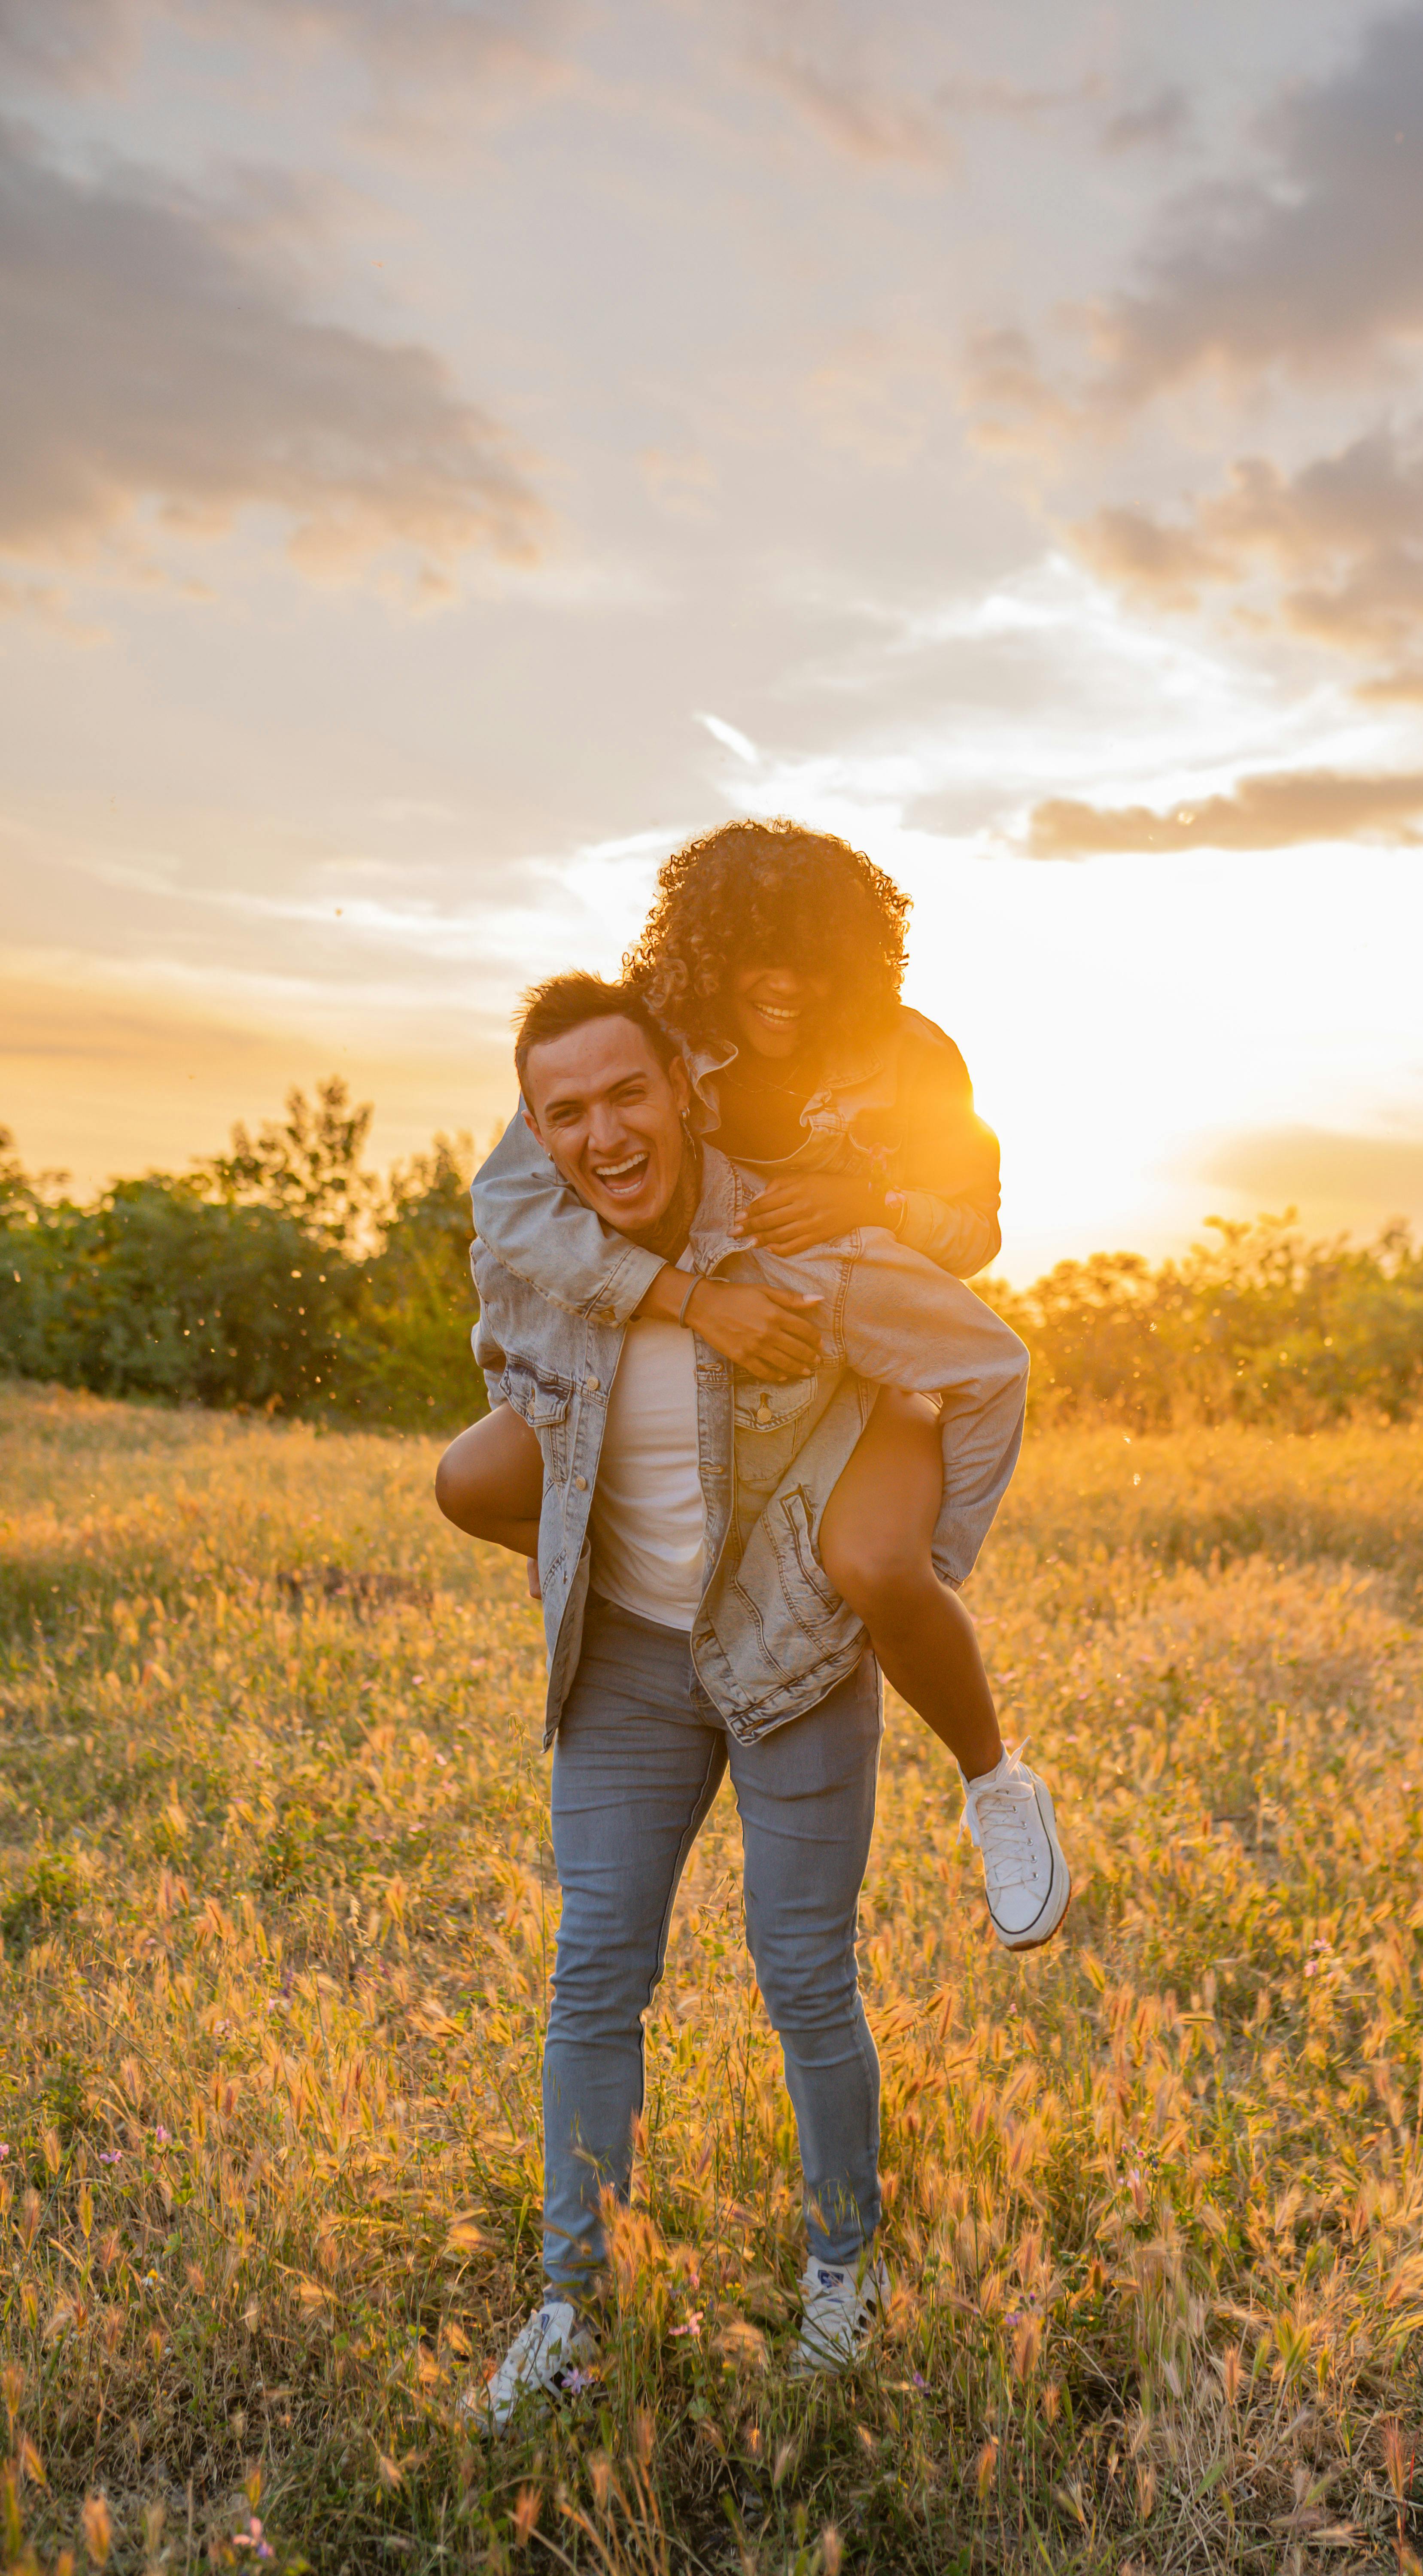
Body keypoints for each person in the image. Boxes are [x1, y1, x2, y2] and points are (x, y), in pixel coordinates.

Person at [437, 972, 1054, 2425]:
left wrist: (900, 1571)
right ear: (536, 1133)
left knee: (804, 1981)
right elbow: (503, 1329)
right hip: (627, 1667)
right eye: (565, 1113)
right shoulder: (545, 1245)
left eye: (627, 1094)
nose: (603, 1133)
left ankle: (846, 2274)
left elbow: (990, 1360)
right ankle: (570, 2311)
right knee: (594, 1974)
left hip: (788, 1660)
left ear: (685, 1090)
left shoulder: (804, 1245)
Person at [471, 817, 1057, 1947]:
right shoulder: (652, 1036)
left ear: (860, 959)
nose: (784, 984)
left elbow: (975, 1231)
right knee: (472, 1478)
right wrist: (690, 1301)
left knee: (873, 1566)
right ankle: (681, 1607)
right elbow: (514, 1198)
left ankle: (995, 1782)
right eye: (755, 954)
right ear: (701, 950)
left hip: (862, 1348)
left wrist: (873, 1204)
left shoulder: (912, 1055)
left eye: (815, 957)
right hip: (703, 1345)